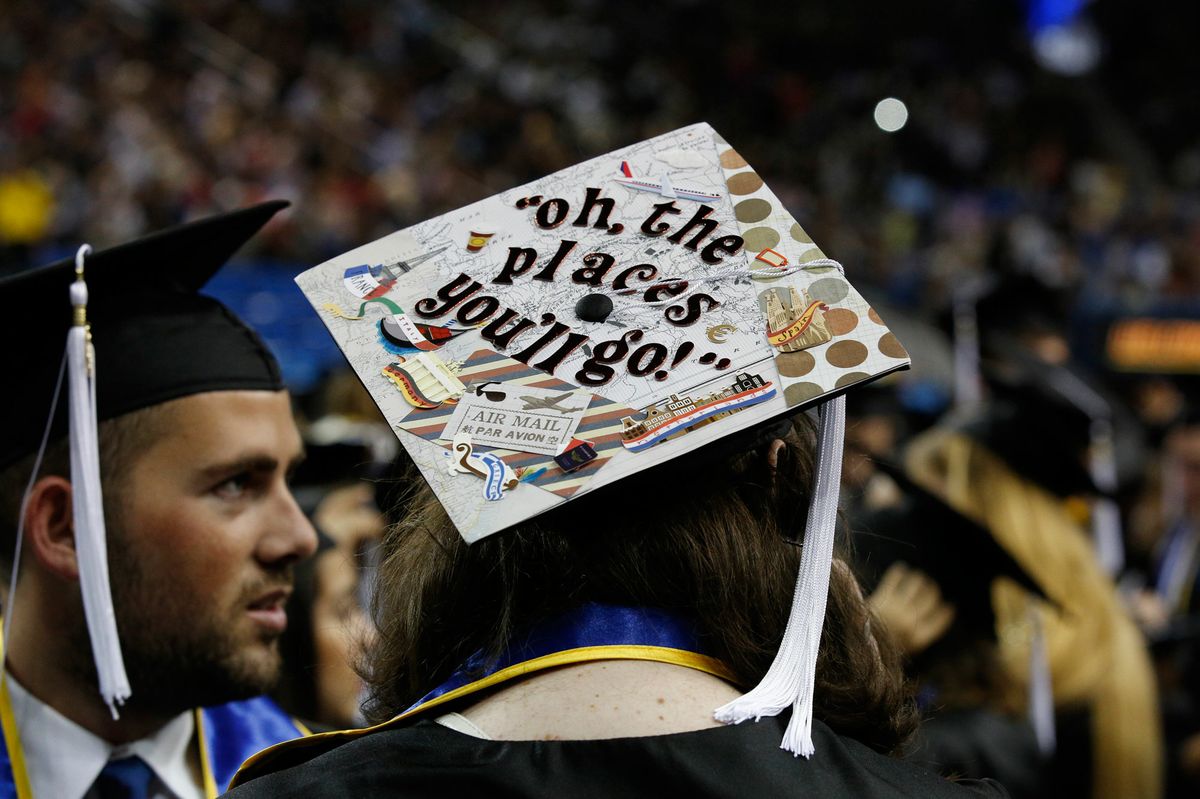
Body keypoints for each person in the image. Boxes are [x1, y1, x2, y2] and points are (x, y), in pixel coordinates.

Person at [0, 202, 318, 798]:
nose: (299, 537)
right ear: (65, 527)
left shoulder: (321, 782)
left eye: (287, 480)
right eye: (235, 484)